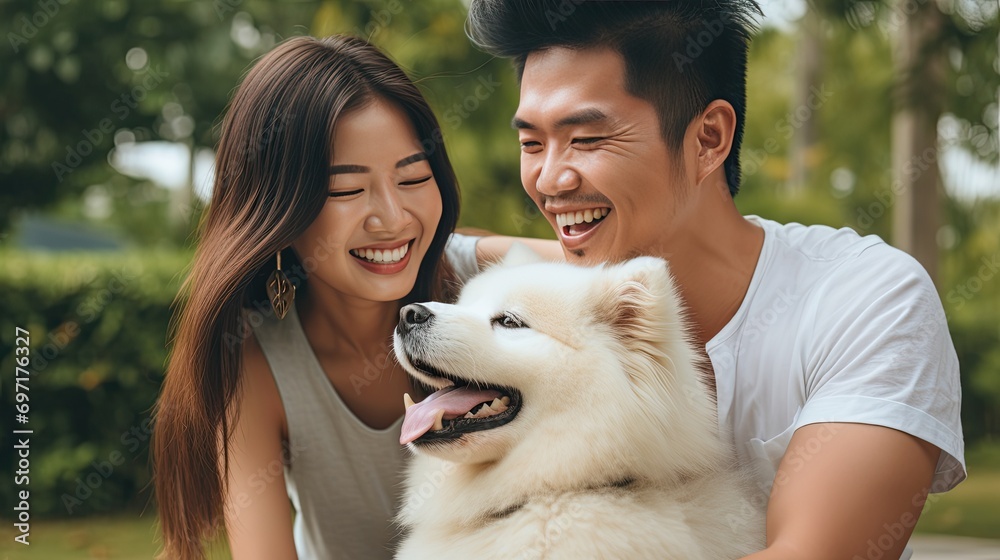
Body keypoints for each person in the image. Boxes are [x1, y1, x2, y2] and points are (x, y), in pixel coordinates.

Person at [464, 1, 966, 559]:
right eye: (532, 143)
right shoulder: (551, 300)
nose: (549, 180)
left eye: (586, 140)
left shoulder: (866, 301)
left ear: (708, 138)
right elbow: (425, 247)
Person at [151, 35, 555, 560]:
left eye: (413, 177)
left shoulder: (491, 277)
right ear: (277, 210)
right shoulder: (255, 363)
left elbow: (639, 282)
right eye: (346, 190)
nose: (391, 219)